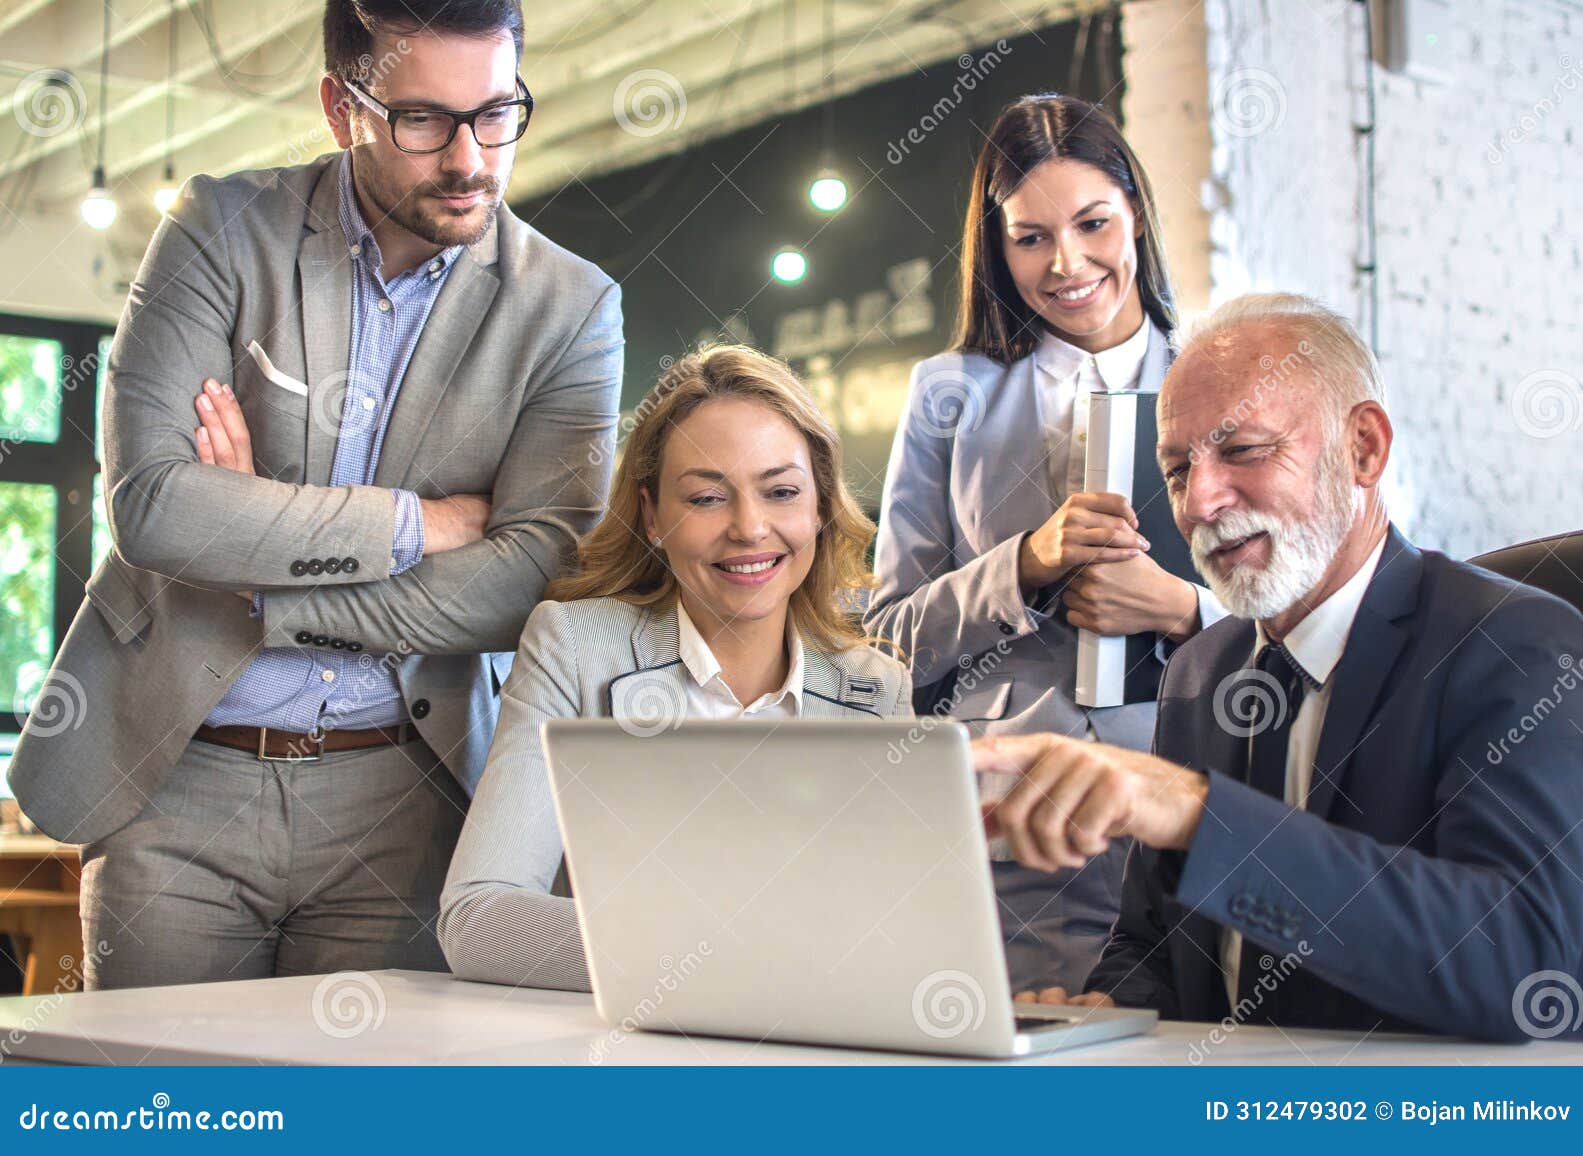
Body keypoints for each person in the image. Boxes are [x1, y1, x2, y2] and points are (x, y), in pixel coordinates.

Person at [5, 0, 625, 988]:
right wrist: (421, 524)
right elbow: (158, 508)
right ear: (341, 108)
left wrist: (260, 569)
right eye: (422, 119)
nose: (470, 158)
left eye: (498, 112)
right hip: (177, 775)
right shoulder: (220, 228)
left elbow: (532, 577)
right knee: (163, 1115)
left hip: (404, 796)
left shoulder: (571, 307)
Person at [977, 293, 1583, 1040]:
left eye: (1242, 450)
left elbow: (1517, 964)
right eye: (1177, 470)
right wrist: (1115, 1010)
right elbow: (1152, 942)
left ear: (1363, 449)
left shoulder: (1513, 643)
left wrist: (1198, 812)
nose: (1201, 502)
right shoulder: (1203, 667)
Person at [864, 93, 1223, 994]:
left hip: (1186, 793)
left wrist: (1187, 611)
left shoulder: (1224, 374)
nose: (1067, 264)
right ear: (998, 245)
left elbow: (1313, 612)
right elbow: (890, 639)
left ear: (1134, 211)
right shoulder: (950, 392)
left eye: (1093, 222)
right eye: (1030, 237)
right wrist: (1021, 564)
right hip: (1010, 811)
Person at [439, 345, 912, 989]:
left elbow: (902, 928)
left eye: (781, 492)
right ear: (652, 515)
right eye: (707, 498)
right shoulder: (574, 649)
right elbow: (479, 919)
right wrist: (718, 959)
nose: (749, 528)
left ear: (821, 506)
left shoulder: (876, 690)